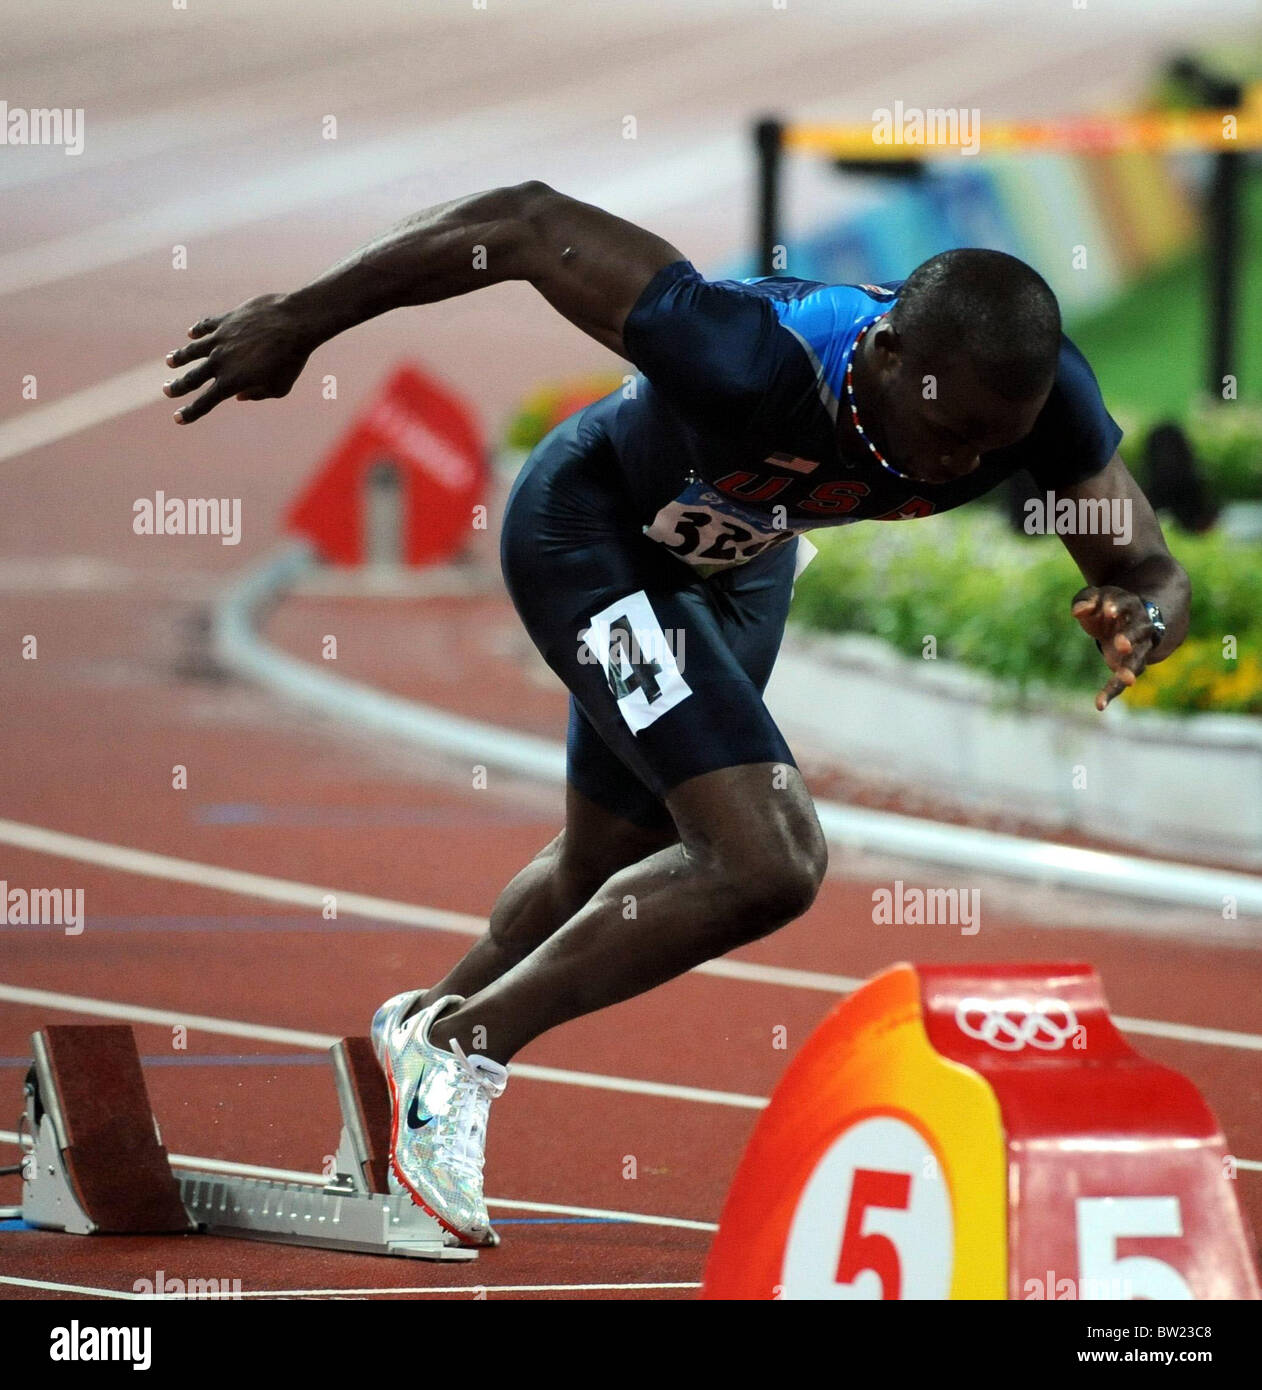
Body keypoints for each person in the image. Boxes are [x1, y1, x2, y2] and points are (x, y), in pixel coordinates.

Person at [165, 182, 1189, 1246]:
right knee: (767, 856)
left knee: (600, 865)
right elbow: (519, 222)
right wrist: (299, 319)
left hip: (737, 574)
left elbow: (1145, 566)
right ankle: (464, 1048)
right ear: (884, 354)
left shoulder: (1034, 393)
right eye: (942, 431)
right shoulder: (743, 352)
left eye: (990, 450)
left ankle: (414, 1037)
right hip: (593, 535)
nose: (954, 464)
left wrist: (1139, 618)